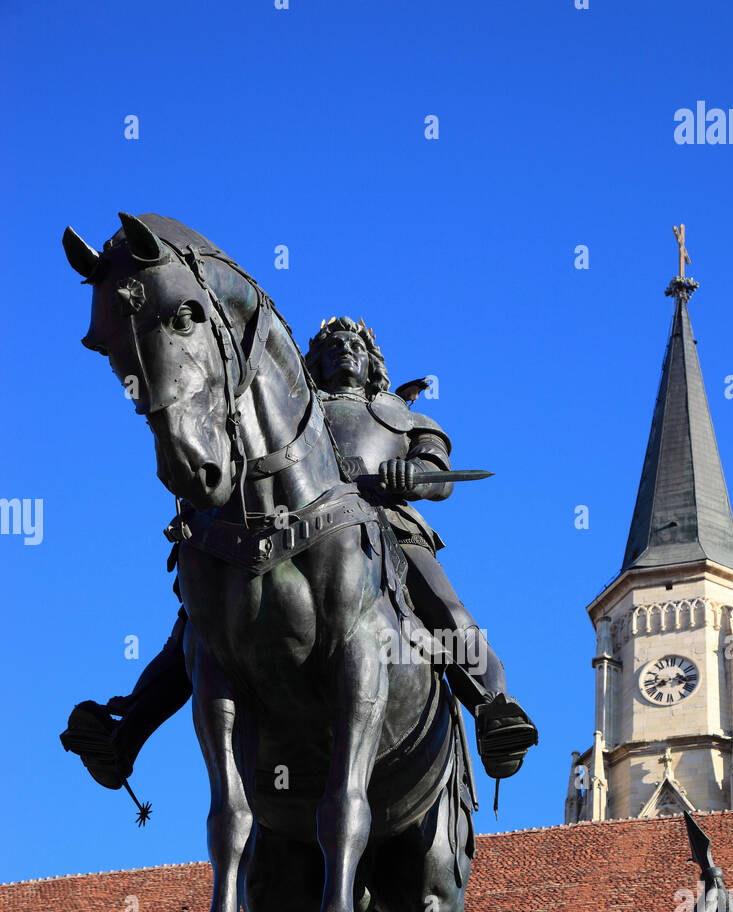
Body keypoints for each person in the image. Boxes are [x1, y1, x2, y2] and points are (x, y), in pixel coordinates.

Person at [61, 316, 536, 792]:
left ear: (373, 364)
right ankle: (124, 736)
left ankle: (493, 707)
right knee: (199, 623)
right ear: (314, 363)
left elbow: (437, 472)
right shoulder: (294, 412)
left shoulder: (404, 415)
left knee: (444, 607)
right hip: (296, 532)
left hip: (386, 527)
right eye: (333, 345)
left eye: (356, 346)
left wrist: (411, 476)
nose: (346, 350)